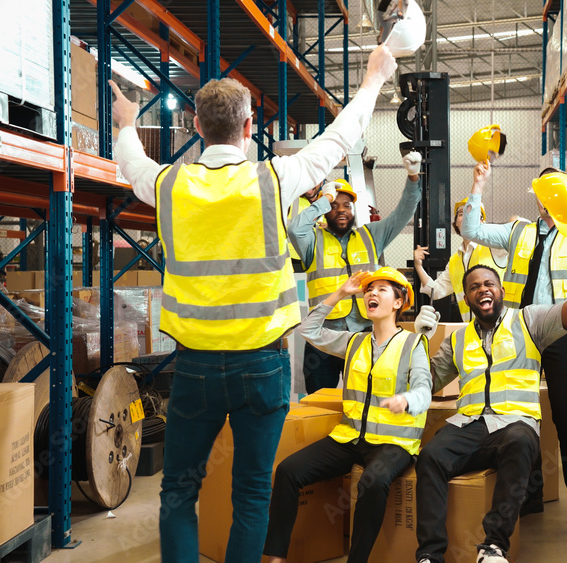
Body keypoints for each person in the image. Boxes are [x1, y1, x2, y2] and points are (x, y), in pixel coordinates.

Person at [109, 45, 398, 563]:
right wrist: (374, 78)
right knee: (251, 494)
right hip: (262, 365)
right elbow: (340, 139)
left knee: (178, 491)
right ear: (248, 129)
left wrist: (126, 122)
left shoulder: (169, 185)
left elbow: (131, 165)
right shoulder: (274, 179)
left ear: (197, 125)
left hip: (194, 367)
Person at [460, 162, 567, 540]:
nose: (546, 202)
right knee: (520, 416)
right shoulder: (517, 231)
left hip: (559, 332)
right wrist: (478, 184)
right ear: (538, 199)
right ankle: (533, 494)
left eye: (553, 195)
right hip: (519, 333)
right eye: (543, 195)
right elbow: (471, 229)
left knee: (566, 418)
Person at [415, 221, 567, 563]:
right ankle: (429, 554)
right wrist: (419, 340)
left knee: (520, 442)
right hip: (469, 426)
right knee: (431, 457)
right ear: (466, 296)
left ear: (500, 290)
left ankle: (493, 546)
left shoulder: (530, 320)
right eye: (474, 287)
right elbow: (424, 384)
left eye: (489, 284)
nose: (482, 290)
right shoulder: (457, 339)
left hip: (515, 423)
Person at [264, 267, 437, 563]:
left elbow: (425, 389)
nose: (372, 293)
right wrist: (341, 293)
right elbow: (308, 330)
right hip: (350, 437)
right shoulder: (354, 342)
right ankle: (275, 557)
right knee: (288, 471)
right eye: (369, 290)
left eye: (382, 289)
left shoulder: (412, 344)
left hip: (393, 444)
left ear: (398, 302)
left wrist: (407, 400)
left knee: (372, 481)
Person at [289, 153, 423, 393]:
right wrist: (323, 199)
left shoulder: (371, 235)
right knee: (320, 401)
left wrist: (413, 178)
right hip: (323, 337)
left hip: (364, 333)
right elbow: (295, 229)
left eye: (347, 205)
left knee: (366, 395)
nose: (341, 210)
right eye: (333, 205)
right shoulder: (312, 240)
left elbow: (404, 212)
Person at [413, 198, 508, 322]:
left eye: (472, 213)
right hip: (471, 329)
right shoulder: (455, 261)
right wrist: (418, 266)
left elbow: (517, 238)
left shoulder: (493, 247)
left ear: (482, 221)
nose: (467, 217)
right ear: (456, 224)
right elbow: (435, 291)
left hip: (499, 326)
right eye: (461, 214)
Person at [287, 183, 325, 271]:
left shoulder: (326, 203)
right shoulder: (292, 200)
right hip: (293, 259)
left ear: (322, 182)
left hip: (318, 257)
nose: (311, 184)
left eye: (315, 181)